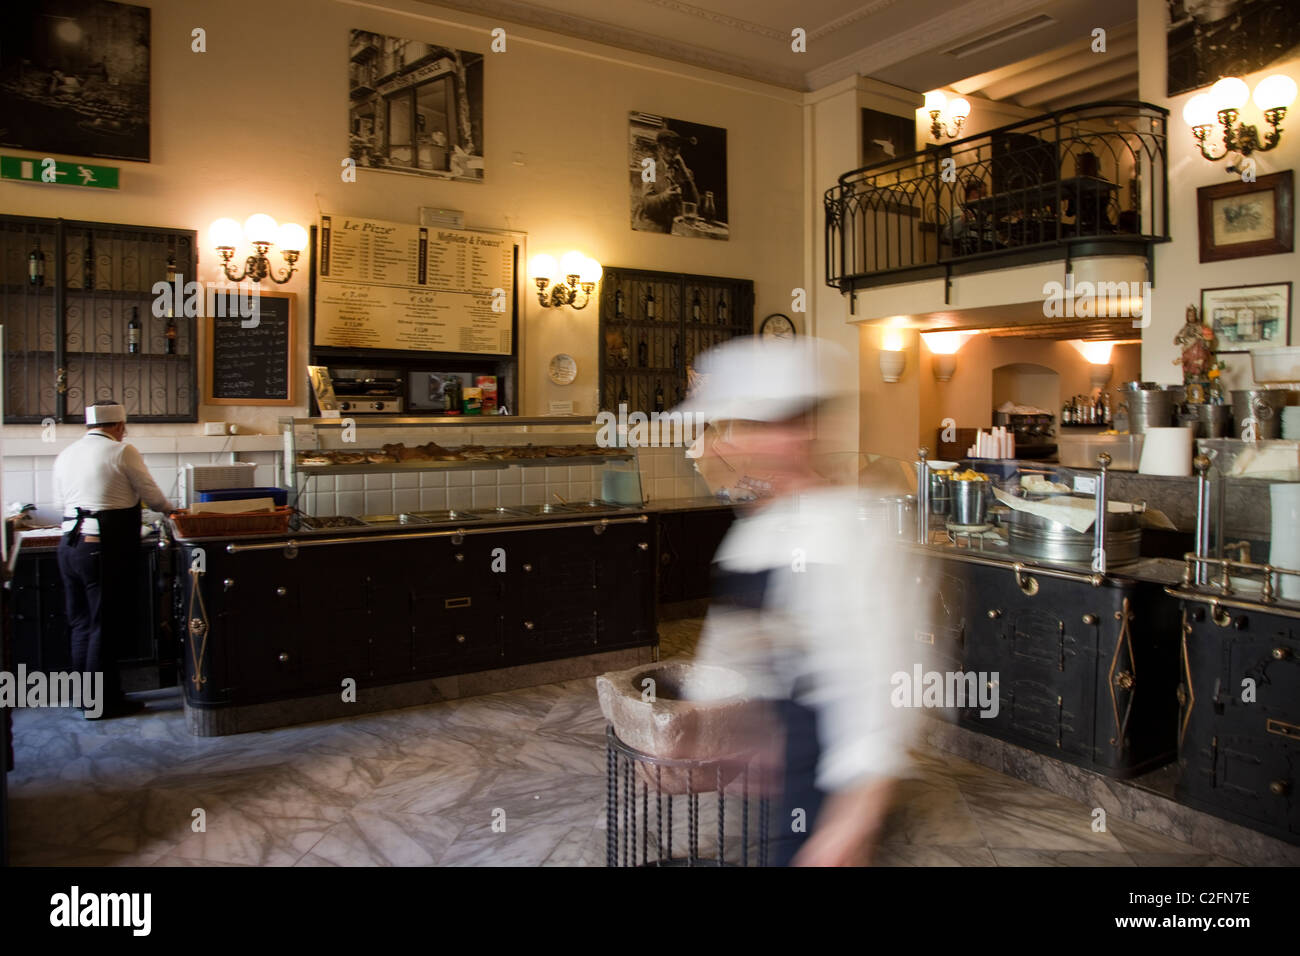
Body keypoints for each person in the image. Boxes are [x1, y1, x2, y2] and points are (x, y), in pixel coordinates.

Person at [677, 337, 921, 866]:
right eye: (730, 427)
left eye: (746, 427)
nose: (731, 443)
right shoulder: (753, 532)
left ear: (800, 431)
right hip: (778, 774)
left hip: (831, 781)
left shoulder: (856, 533)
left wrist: (852, 820)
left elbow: (882, 685)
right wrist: (700, 735)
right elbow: (731, 650)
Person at [53, 401, 172, 719]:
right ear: (119, 426)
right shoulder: (122, 451)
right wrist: (171, 509)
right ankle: (102, 704)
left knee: (81, 624)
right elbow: (151, 493)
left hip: (68, 547)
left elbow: (59, 500)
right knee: (103, 627)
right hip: (100, 549)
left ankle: (84, 697)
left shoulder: (67, 453)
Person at [637, 128, 700, 233]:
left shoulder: (686, 172)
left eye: (676, 147)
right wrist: (665, 196)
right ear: (659, 148)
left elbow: (695, 204)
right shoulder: (649, 168)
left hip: (676, 229)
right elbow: (646, 204)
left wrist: (684, 171)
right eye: (667, 147)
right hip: (652, 227)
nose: (672, 151)